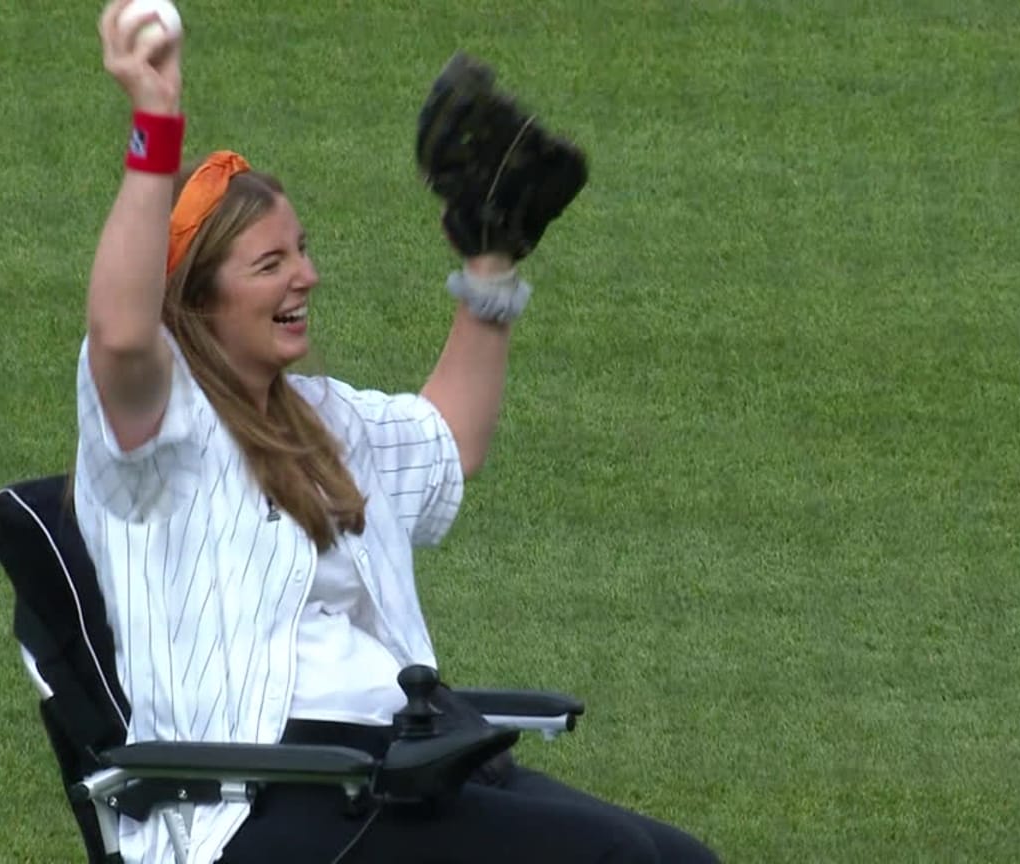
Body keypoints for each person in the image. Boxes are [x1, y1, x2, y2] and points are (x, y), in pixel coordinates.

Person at [73, 2, 723, 862]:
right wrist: (155, 123)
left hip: (405, 769)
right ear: (194, 297)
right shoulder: (159, 436)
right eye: (269, 264)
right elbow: (122, 332)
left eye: (300, 249)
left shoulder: (324, 417)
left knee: (679, 859)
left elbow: (450, 440)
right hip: (265, 800)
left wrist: (489, 262)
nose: (305, 275)